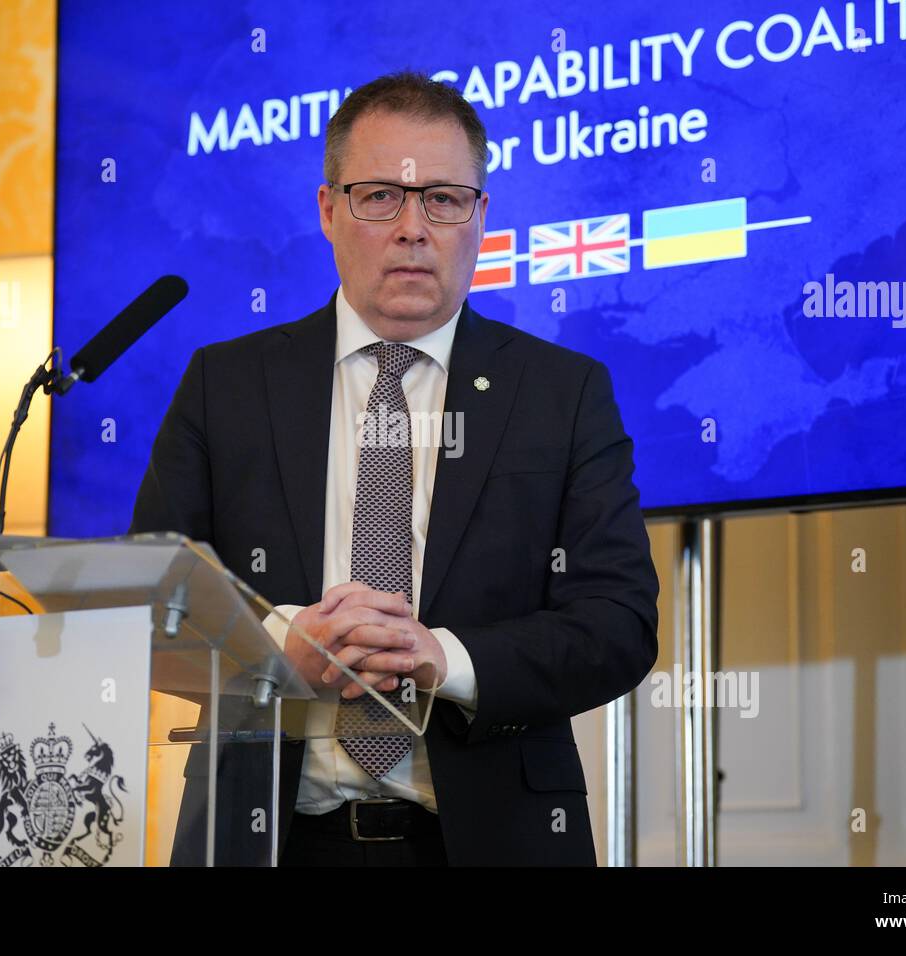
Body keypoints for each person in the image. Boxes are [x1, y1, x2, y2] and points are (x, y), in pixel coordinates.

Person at [130, 71, 658, 866]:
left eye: (443, 198)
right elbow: (154, 609)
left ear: (481, 218)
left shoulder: (563, 393)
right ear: (328, 210)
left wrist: (445, 658)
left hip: (491, 843)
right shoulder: (225, 384)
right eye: (380, 195)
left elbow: (619, 623)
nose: (413, 227)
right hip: (268, 842)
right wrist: (280, 650)